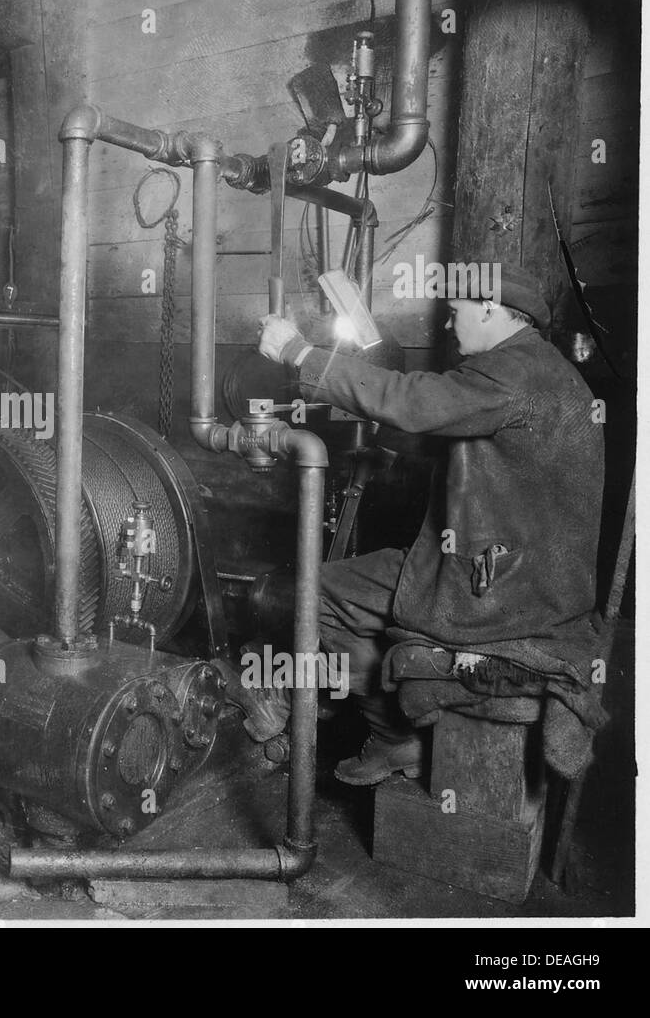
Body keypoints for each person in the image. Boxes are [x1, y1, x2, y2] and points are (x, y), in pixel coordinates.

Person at [256, 272, 604, 785]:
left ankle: (397, 739)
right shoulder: (541, 370)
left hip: (501, 591)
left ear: (489, 307)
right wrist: (393, 446)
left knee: (316, 591)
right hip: (527, 576)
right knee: (346, 586)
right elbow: (474, 439)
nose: (446, 321)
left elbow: (415, 401)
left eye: (456, 309)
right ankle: (380, 725)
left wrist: (299, 353)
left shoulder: (516, 370)